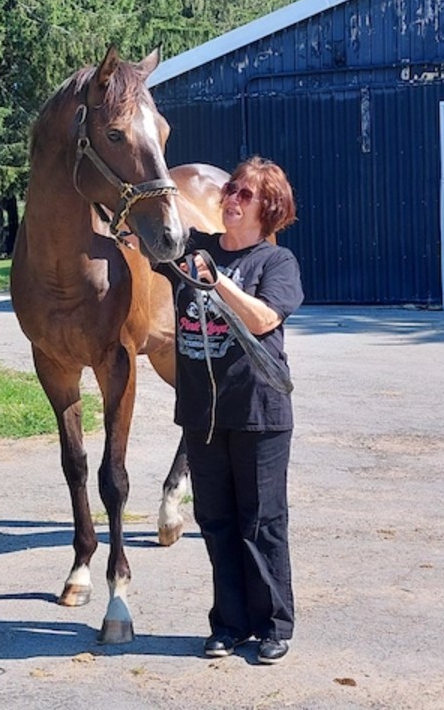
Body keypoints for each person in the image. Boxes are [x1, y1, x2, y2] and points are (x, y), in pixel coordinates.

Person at [166, 156, 303, 664]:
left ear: (268, 208)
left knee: (261, 521)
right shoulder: (192, 248)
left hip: (259, 412)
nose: (231, 200)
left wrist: (216, 280)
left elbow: (266, 318)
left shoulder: (277, 263)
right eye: (231, 191)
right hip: (202, 415)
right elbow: (140, 235)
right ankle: (228, 624)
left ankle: (274, 624)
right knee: (216, 521)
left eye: (245, 195)